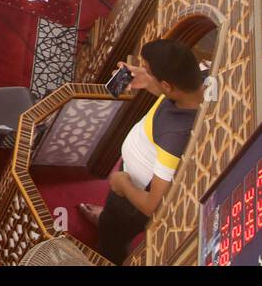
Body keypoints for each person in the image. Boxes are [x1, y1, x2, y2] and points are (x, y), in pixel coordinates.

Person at [78, 40, 204, 264]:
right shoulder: (200, 80)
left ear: (166, 85)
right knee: (111, 218)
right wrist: (148, 81)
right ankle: (107, 218)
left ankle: (108, 254)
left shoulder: (174, 138)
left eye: (147, 70)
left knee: (113, 237)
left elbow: (150, 205)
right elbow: (173, 98)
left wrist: (123, 185)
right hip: (129, 177)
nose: (141, 71)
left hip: (133, 197)